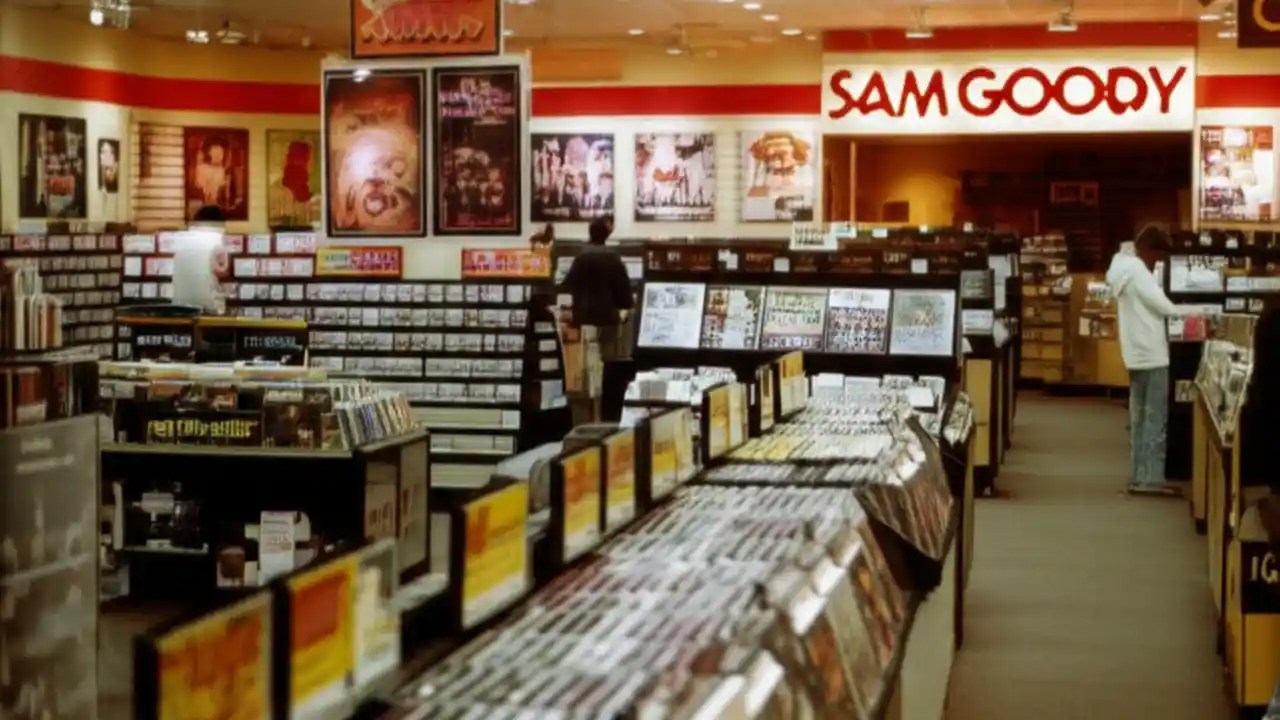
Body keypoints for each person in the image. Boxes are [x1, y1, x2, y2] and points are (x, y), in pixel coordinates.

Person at [1106, 225, 1182, 495]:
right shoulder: (1138, 271)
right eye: (1158, 256)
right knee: (1155, 419)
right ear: (1150, 249)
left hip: (1135, 353)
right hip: (1153, 353)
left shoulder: (1121, 268)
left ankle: (1139, 475)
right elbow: (1162, 305)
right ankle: (1151, 479)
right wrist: (1192, 312)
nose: (1158, 263)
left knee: (1139, 419)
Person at [562, 217, 633, 420]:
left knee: (584, 378)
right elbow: (625, 299)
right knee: (608, 372)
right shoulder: (614, 260)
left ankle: (585, 418)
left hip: (582, 323)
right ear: (607, 235)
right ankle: (607, 418)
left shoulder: (581, 259)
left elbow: (566, 288)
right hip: (608, 324)